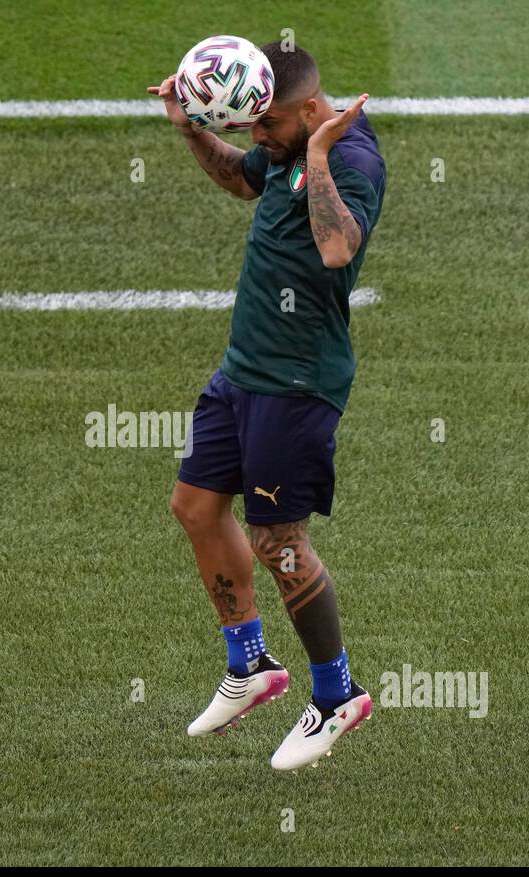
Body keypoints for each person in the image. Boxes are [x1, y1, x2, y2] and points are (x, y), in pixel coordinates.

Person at [149, 42, 386, 770]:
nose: (257, 137)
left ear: (312, 111)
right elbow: (242, 180)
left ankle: (336, 695)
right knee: (194, 506)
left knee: (280, 539)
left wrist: (314, 155)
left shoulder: (351, 160)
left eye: (269, 125)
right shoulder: (280, 138)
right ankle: (252, 667)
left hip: (298, 382)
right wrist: (189, 126)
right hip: (243, 370)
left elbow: (339, 247)